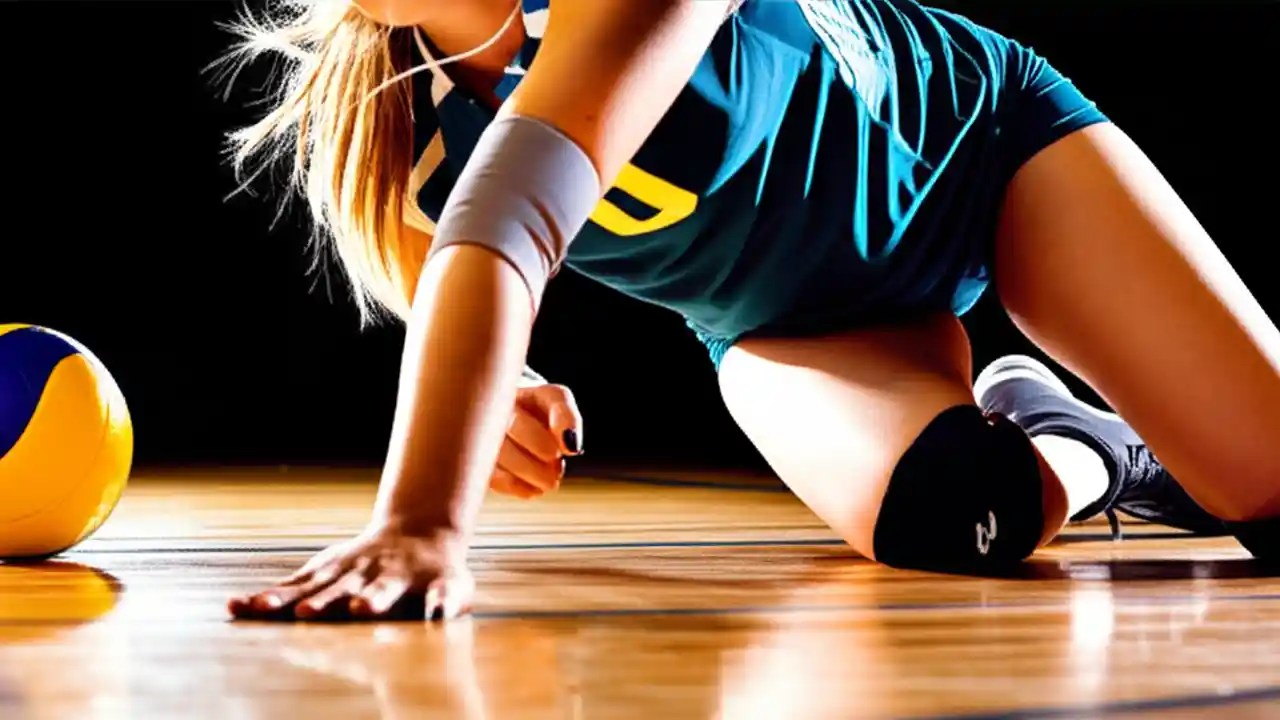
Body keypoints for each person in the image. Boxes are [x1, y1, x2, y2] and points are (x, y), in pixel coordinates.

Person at [221, 0, 1280, 622]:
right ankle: (1092, 447)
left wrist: (418, 526)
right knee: (959, 513)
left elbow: (510, 220)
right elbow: (445, 274)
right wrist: (512, 387)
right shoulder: (386, 118)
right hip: (794, 326)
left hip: (988, 164)